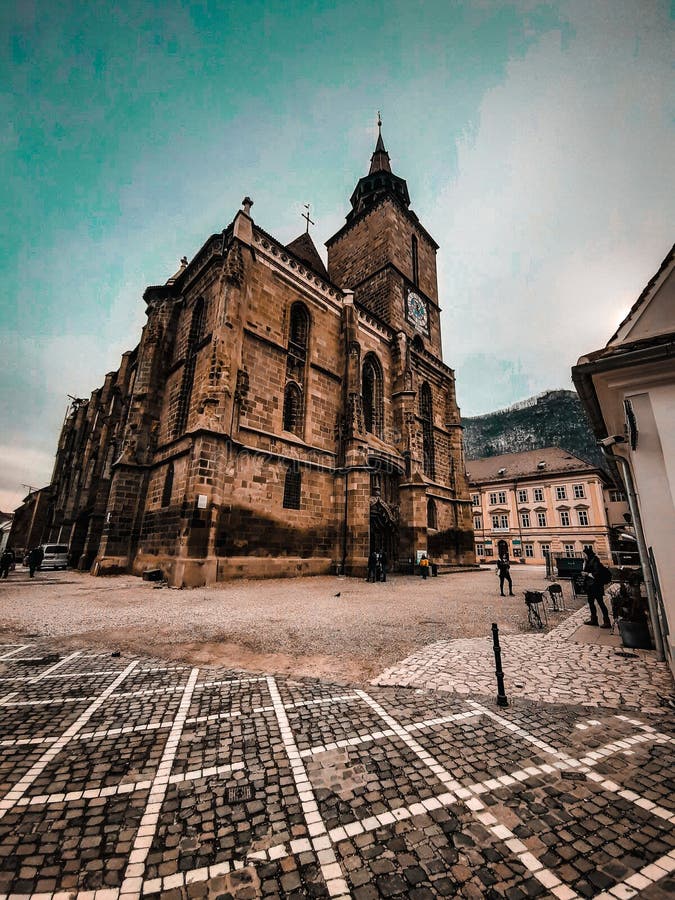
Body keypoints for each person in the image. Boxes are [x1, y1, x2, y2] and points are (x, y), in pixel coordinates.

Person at [582, 545, 611, 628]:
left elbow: (597, 573)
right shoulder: (589, 561)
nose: (584, 556)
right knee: (591, 603)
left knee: (600, 603)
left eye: (584, 555)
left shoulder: (595, 561)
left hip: (596, 586)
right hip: (590, 586)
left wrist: (587, 574)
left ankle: (607, 621)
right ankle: (594, 619)